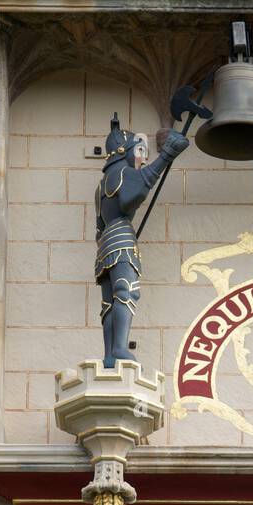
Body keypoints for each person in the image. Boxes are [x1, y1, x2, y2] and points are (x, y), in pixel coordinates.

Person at [95, 114, 189, 366]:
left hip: (105, 244)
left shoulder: (102, 185)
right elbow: (135, 191)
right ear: (124, 152)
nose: (142, 158)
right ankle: (119, 348)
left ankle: (109, 355)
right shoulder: (123, 174)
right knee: (126, 292)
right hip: (122, 238)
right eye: (139, 151)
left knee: (109, 301)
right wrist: (167, 154)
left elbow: (98, 227)